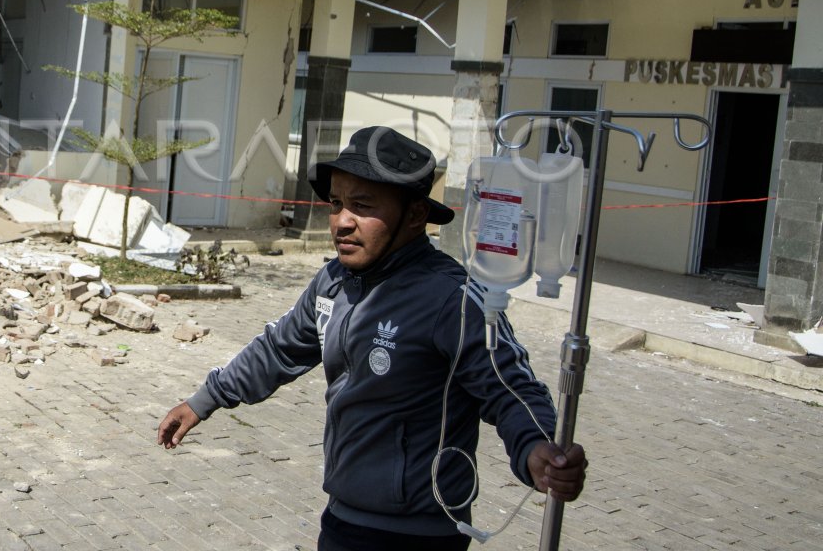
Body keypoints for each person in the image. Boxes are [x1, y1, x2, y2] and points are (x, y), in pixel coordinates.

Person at [157, 126, 587, 550]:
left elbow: (511, 388)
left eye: (362, 206)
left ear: (416, 215)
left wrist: (536, 448)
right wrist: (203, 401)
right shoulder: (333, 282)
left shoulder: (451, 299)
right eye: (337, 204)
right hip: (344, 515)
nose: (342, 222)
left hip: (419, 532)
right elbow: (277, 348)